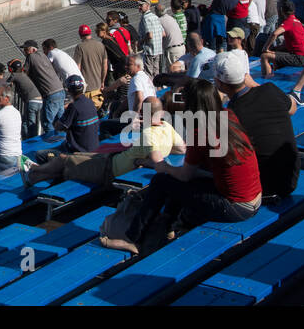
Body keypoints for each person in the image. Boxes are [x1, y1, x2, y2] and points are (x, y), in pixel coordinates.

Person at [103, 79, 262, 255]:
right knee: (174, 183)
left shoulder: (200, 132)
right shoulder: (227, 116)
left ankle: (133, 239)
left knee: (161, 181)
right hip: (254, 199)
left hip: (236, 207)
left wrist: (162, 166)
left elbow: (185, 175)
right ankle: (168, 228)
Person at [28, 96, 185, 187]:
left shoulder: (150, 135)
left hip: (109, 170)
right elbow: (181, 149)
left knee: (64, 159)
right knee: (72, 160)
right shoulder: (166, 127)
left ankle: (32, 172)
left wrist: (141, 161)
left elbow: (158, 163)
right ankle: (34, 177)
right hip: (112, 160)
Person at [213, 53, 300, 199]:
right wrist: (255, 86)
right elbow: (293, 108)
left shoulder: (231, 115)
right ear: (245, 75)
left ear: (219, 83)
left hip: (262, 185)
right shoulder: (270, 89)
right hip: (290, 178)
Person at [52, 74, 101, 154]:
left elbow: (59, 127)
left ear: (68, 90)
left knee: (40, 155)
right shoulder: (90, 102)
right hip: (94, 148)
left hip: (78, 151)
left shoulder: (73, 107)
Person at [22, 38, 64, 134]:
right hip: (60, 90)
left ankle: (52, 144)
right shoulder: (43, 55)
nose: (24, 52)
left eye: (26, 49)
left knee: (46, 122)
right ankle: (63, 141)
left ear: (33, 50)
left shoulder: (30, 57)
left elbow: (24, 74)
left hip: (51, 93)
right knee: (60, 121)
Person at [260, 0, 304, 77]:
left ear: (282, 11)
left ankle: (267, 79)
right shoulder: (297, 21)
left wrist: (265, 48)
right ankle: (277, 71)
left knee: (264, 56)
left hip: (298, 58)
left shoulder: (289, 22)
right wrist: (275, 49)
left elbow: (274, 34)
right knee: (275, 50)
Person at [7, 58, 43, 138]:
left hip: (31, 101)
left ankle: (29, 142)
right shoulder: (23, 74)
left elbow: (5, 84)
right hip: (39, 100)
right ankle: (33, 140)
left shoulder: (14, 75)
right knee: (32, 123)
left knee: (28, 124)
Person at [73, 23, 109, 96]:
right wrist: (102, 82)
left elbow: (77, 68)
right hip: (99, 86)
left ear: (80, 35)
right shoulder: (100, 45)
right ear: (90, 33)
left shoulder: (80, 47)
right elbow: (105, 65)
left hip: (87, 88)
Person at [138, 0, 165, 75]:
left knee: (149, 72)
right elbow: (163, 34)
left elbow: (150, 35)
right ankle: (157, 86)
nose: (139, 7)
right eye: (139, 5)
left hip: (150, 50)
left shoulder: (145, 18)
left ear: (147, 6)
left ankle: (151, 86)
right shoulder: (155, 16)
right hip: (158, 49)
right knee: (156, 71)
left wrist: (141, 41)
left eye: (141, 5)